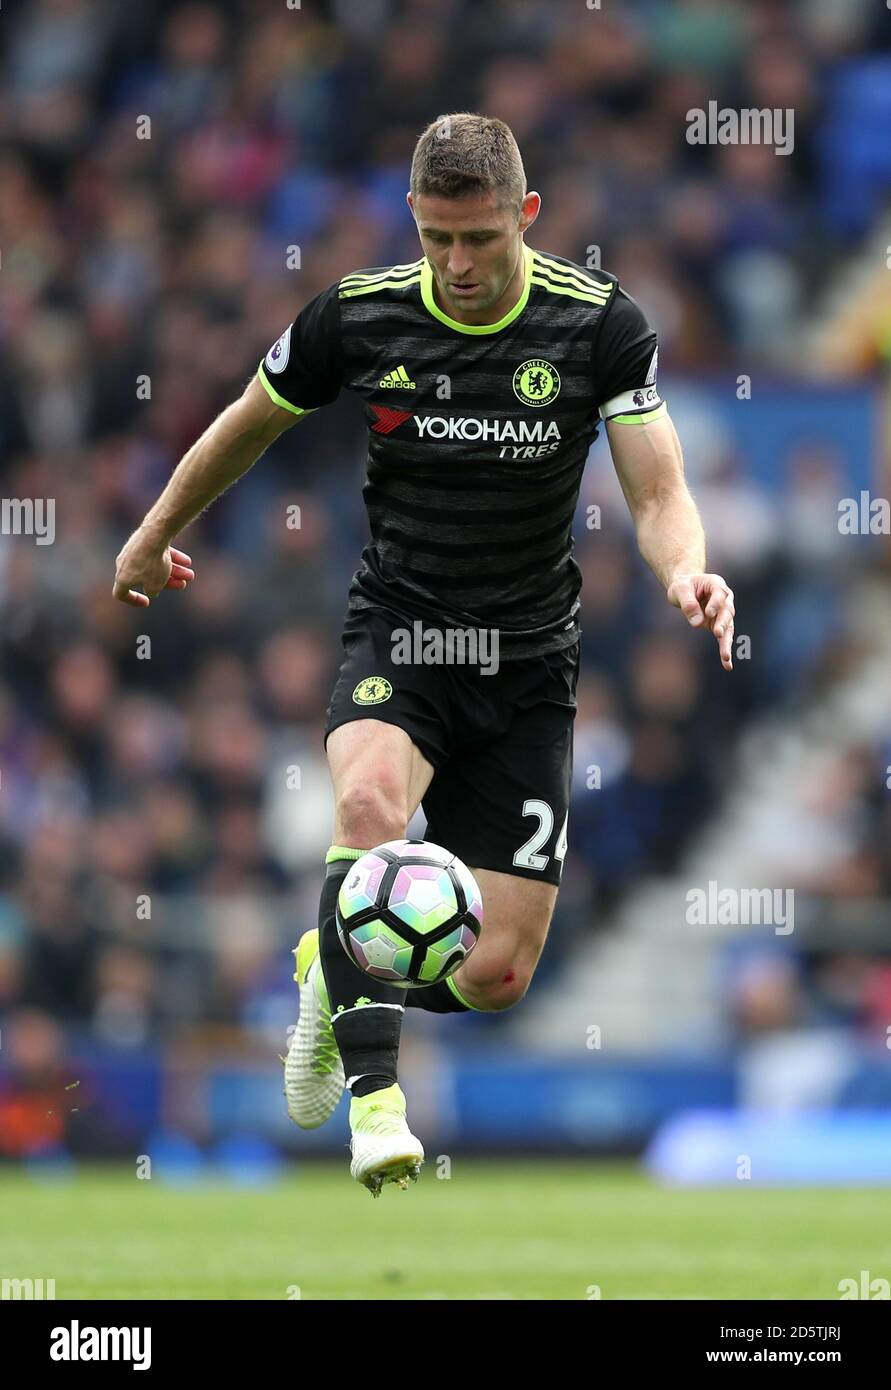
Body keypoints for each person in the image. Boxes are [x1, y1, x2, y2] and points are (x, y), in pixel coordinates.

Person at [114, 113, 735, 1196]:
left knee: (497, 973)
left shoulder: (599, 325)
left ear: (526, 218)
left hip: (530, 662)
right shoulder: (359, 316)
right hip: (399, 632)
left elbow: (659, 487)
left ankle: (334, 962)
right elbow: (246, 422)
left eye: (481, 240)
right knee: (363, 814)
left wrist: (687, 568)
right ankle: (377, 1106)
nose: (459, 264)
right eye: (439, 238)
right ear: (415, 220)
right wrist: (155, 530)